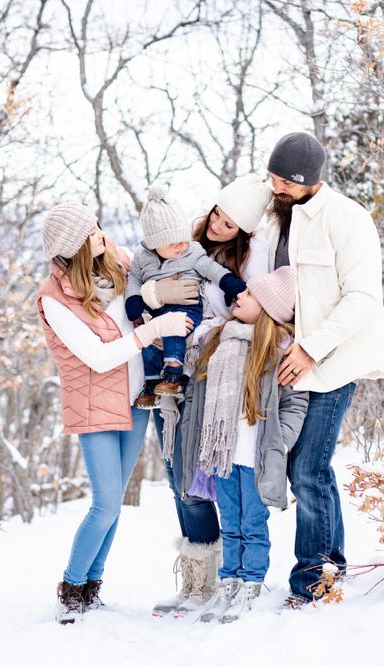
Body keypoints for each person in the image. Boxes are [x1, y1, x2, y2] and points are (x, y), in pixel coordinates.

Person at [36, 202, 193, 625]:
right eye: (91, 232)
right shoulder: (54, 299)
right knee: (105, 504)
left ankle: (92, 587)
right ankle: (71, 591)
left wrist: (161, 297)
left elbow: (152, 280)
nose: (101, 233)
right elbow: (99, 357)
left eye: (99, 225)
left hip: (135, 400)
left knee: (115, 503)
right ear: (73, 246)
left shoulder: (120, 262)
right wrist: (153, 331)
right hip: (95, 406)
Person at [256, 132, 384, 607]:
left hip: (331, 361)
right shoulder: (274, 215)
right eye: (272, 178)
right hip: (284, 359)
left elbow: (362, 298)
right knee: (308, 469)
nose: (277, 188)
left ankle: (313, 581)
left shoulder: (347, 218)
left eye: (286, 182)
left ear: (311, 181)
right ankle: (331, 563)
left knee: (307, 470)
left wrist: (311, 349)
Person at [143, 175, 274, 618]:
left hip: (210, 376)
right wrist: (154, 294)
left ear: (245, 231)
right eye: (217, 214)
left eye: (230, 223)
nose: (218, 225)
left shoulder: (252, 259)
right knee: (179, 479)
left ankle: (221, 579)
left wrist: (201, 331)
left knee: (203, 484)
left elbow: (251, 312)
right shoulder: (180, 241)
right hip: (168, 371)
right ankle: (198, 580)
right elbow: (136, 280)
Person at [180, 266, 308, 623]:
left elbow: (296, 402)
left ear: (267, 308)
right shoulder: (218, 341)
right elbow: (196, 392)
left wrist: (279, 441)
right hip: (221, 452)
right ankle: (229, 582)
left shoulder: (280, 350)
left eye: (250, 294)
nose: (239, 296)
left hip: (255, 453)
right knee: (230, 522)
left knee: (252, 523)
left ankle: (252, 583)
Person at [125, 183, 247, 401]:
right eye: (173, 243)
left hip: (187, 307)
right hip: (156, 311)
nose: (181, 246)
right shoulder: (142, 257)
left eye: (184, 239)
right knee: (149, 341)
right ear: (155, 243)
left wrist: (229, 283)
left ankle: (174, 373)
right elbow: (134, 278)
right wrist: (135, 299)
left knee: (173, 327)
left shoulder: (192, 251)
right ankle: (152, 385)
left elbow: (211, 268)